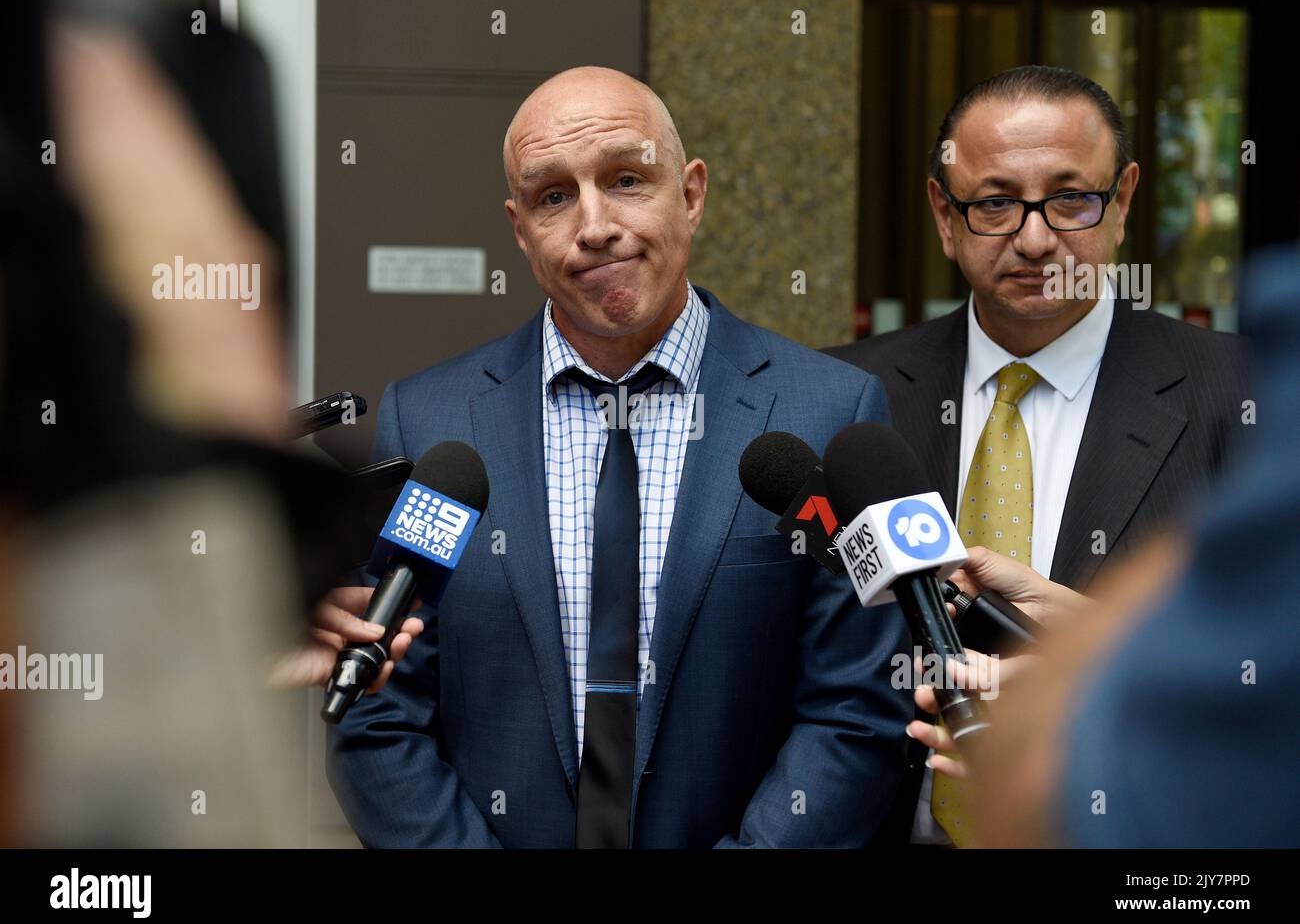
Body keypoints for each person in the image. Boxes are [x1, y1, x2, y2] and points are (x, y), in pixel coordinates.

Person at [325, 66, 912, 848]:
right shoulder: (432, 424)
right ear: (519, 227)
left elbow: (857, 711)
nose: (594, 224)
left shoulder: (827, 413)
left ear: (692, 192)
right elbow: (375, 703)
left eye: (627, 179)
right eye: (553, 196)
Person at [828, 65, 1250, 847]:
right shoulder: (843, 396)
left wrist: (1105, 649)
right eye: (994, 203)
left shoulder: (1245, 398)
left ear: (1122, 202)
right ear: (944, 216)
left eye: (1070, 199)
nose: (1033, 238)